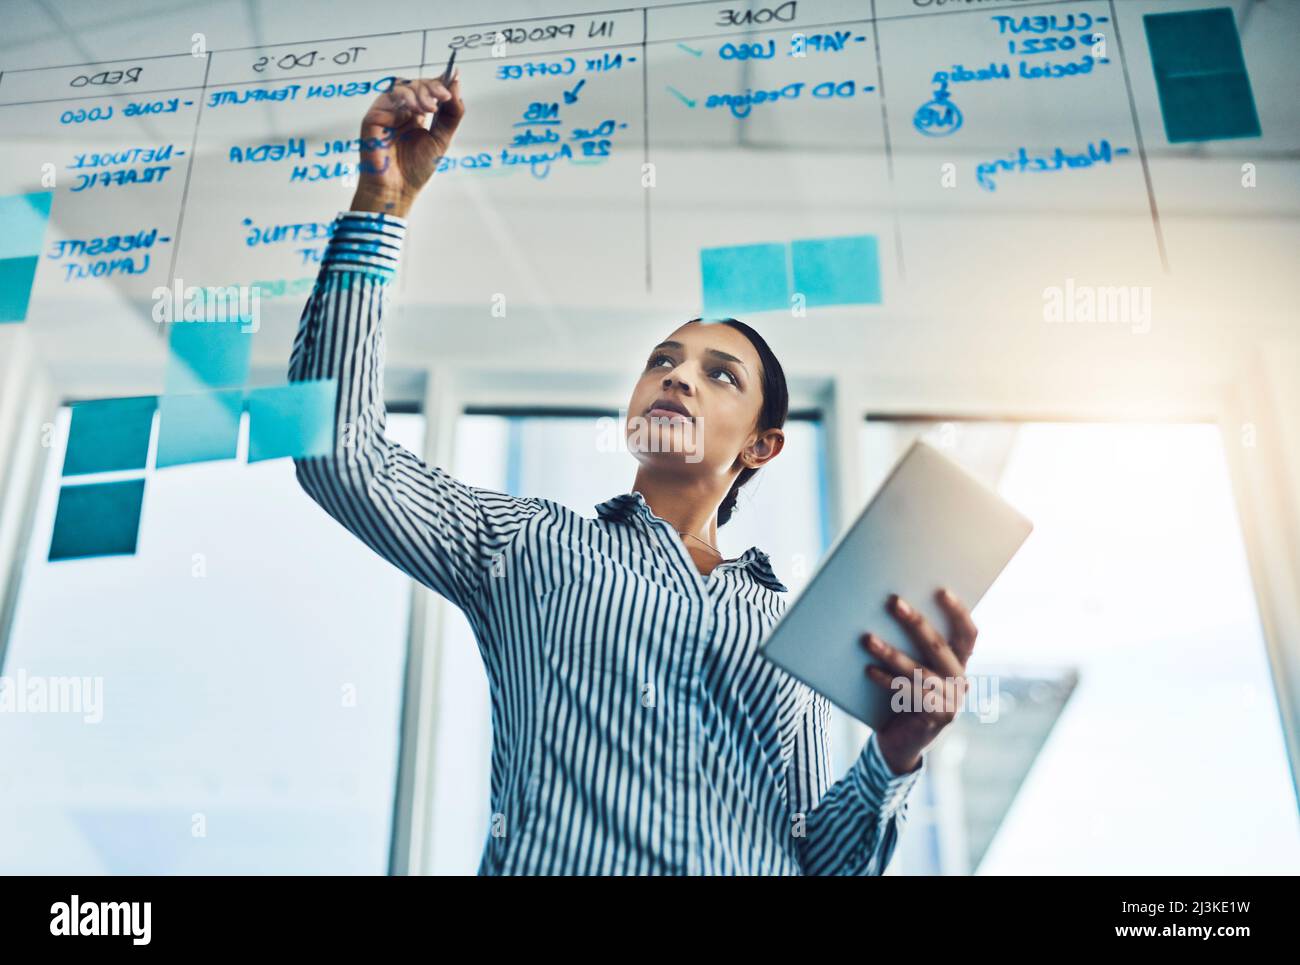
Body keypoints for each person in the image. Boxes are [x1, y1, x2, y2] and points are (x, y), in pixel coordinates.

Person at [287, 71, 979, 875]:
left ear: (762, 447)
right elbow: (340, 452)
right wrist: (382, 203)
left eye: (720, 376)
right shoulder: (529, 546)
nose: (677, 378)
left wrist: (894, 755)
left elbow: (814, 863)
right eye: (662, 361)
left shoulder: (791, 634)